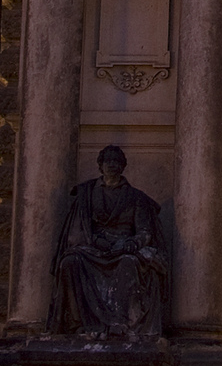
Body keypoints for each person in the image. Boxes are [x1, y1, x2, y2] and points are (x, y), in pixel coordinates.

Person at [52, 145, 165, 340]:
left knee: (128, 263)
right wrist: (95, 241)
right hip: (93, 248)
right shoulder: (86, 194)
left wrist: (130, 244)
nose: (112, 165)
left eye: (117, 162)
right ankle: (79, 323)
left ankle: (120, 322)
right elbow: (76, 231)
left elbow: (145, 232)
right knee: (69, 262)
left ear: (123, 166)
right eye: (108, 161)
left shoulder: (136, 198)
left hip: (124, 249)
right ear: (100, 165)